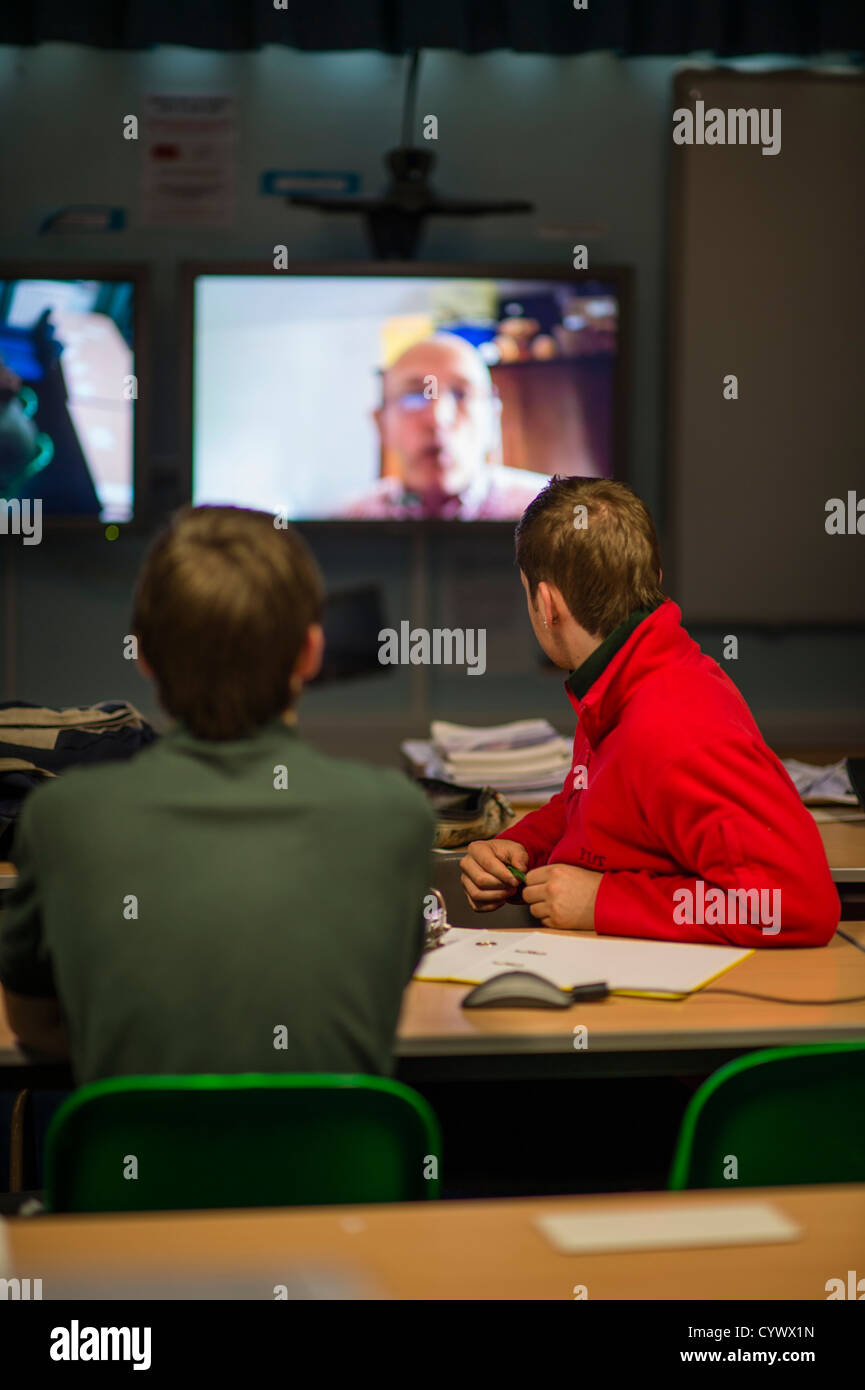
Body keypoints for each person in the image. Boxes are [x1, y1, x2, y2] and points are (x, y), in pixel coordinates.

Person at [0, 506, 434, 1081]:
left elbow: (35, 1025)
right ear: (310, 653)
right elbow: (370, 1012)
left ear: (145, 657)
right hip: (327, 1171)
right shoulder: (396, 817)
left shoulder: (60, 820)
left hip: (135, 1168)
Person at [460, 478, 839, 947]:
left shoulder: (674, 727)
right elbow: (596, 807)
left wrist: (603, 902)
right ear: (653, 578)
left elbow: (793, 905)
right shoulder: (617, 676)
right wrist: (522, 846)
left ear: (547, 604)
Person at [340, 333, 549, 519]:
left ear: (493, 418)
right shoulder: (344, 524)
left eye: (461, 394)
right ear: (381, 424)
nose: (438, 419)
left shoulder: (552, 517)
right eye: (414, 397)